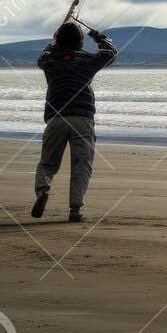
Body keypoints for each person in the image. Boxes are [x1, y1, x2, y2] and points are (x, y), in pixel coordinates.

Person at [33, 21, 116, 222]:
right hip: (82, 117)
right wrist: (96, 35)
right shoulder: (87, 60)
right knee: (82, 163)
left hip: (56, 117)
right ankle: (75, 209)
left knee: (48, 161)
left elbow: (42, 56)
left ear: (58, 41)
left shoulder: (50, 62)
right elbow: (111, 53)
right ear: (80, 42)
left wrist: (54, 43)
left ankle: (43, 190)